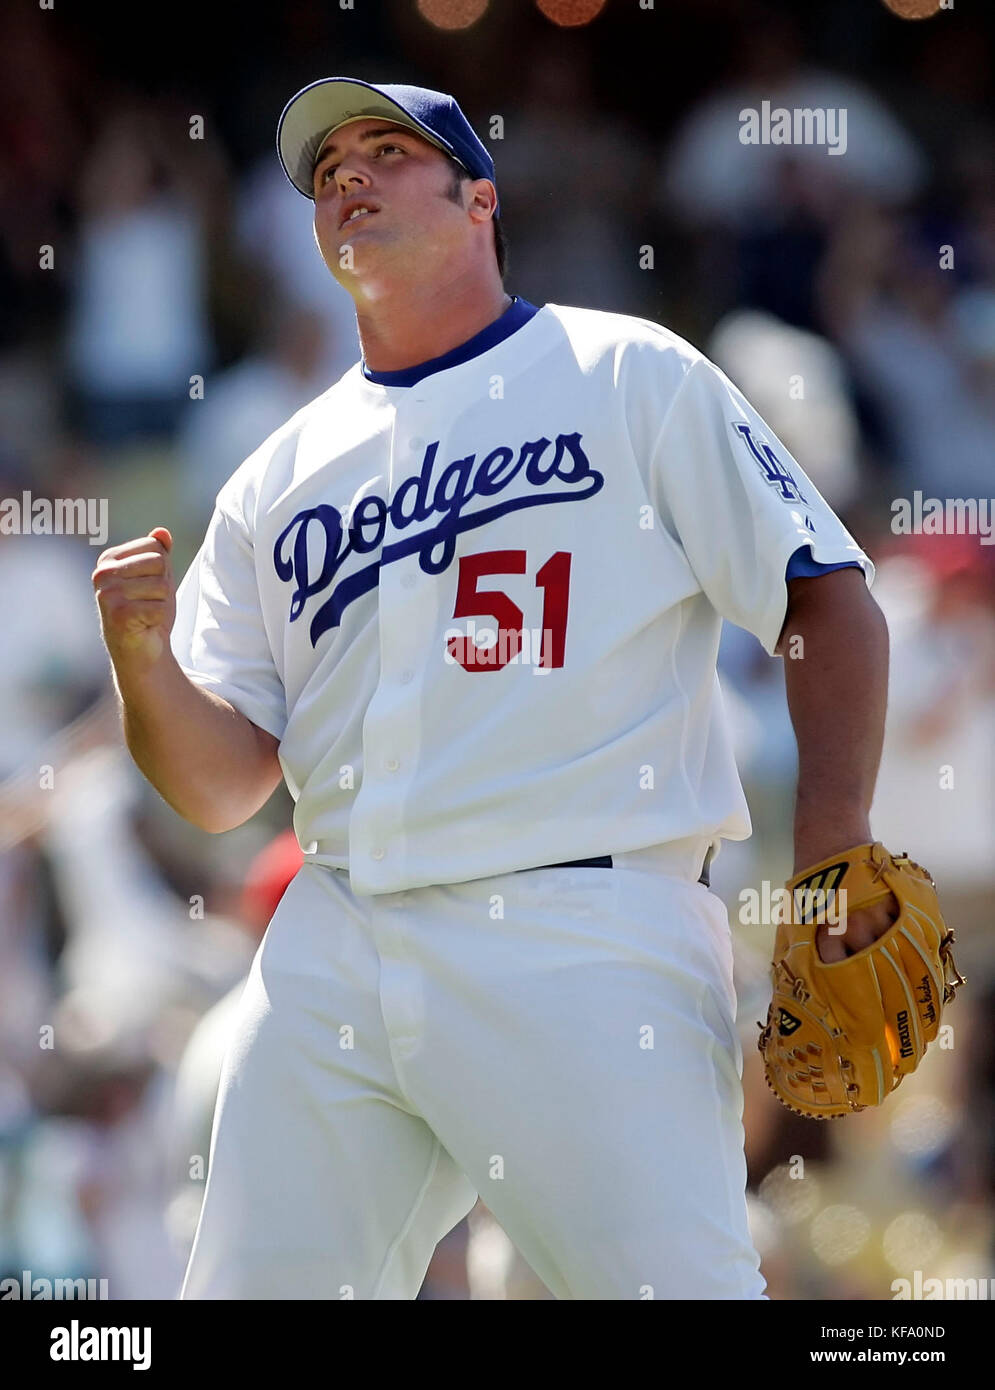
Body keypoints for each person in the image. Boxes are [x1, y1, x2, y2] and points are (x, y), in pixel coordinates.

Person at [91, 78, 897, 1300]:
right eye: (325, 170)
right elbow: (215, 789)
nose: (344, 177)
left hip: (582, 924)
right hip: (337, 934)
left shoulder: (626, 370)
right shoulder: (273, 475)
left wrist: (833, 839)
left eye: (384, 150)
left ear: (479, 198)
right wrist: (144, 666)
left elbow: (825, 597)